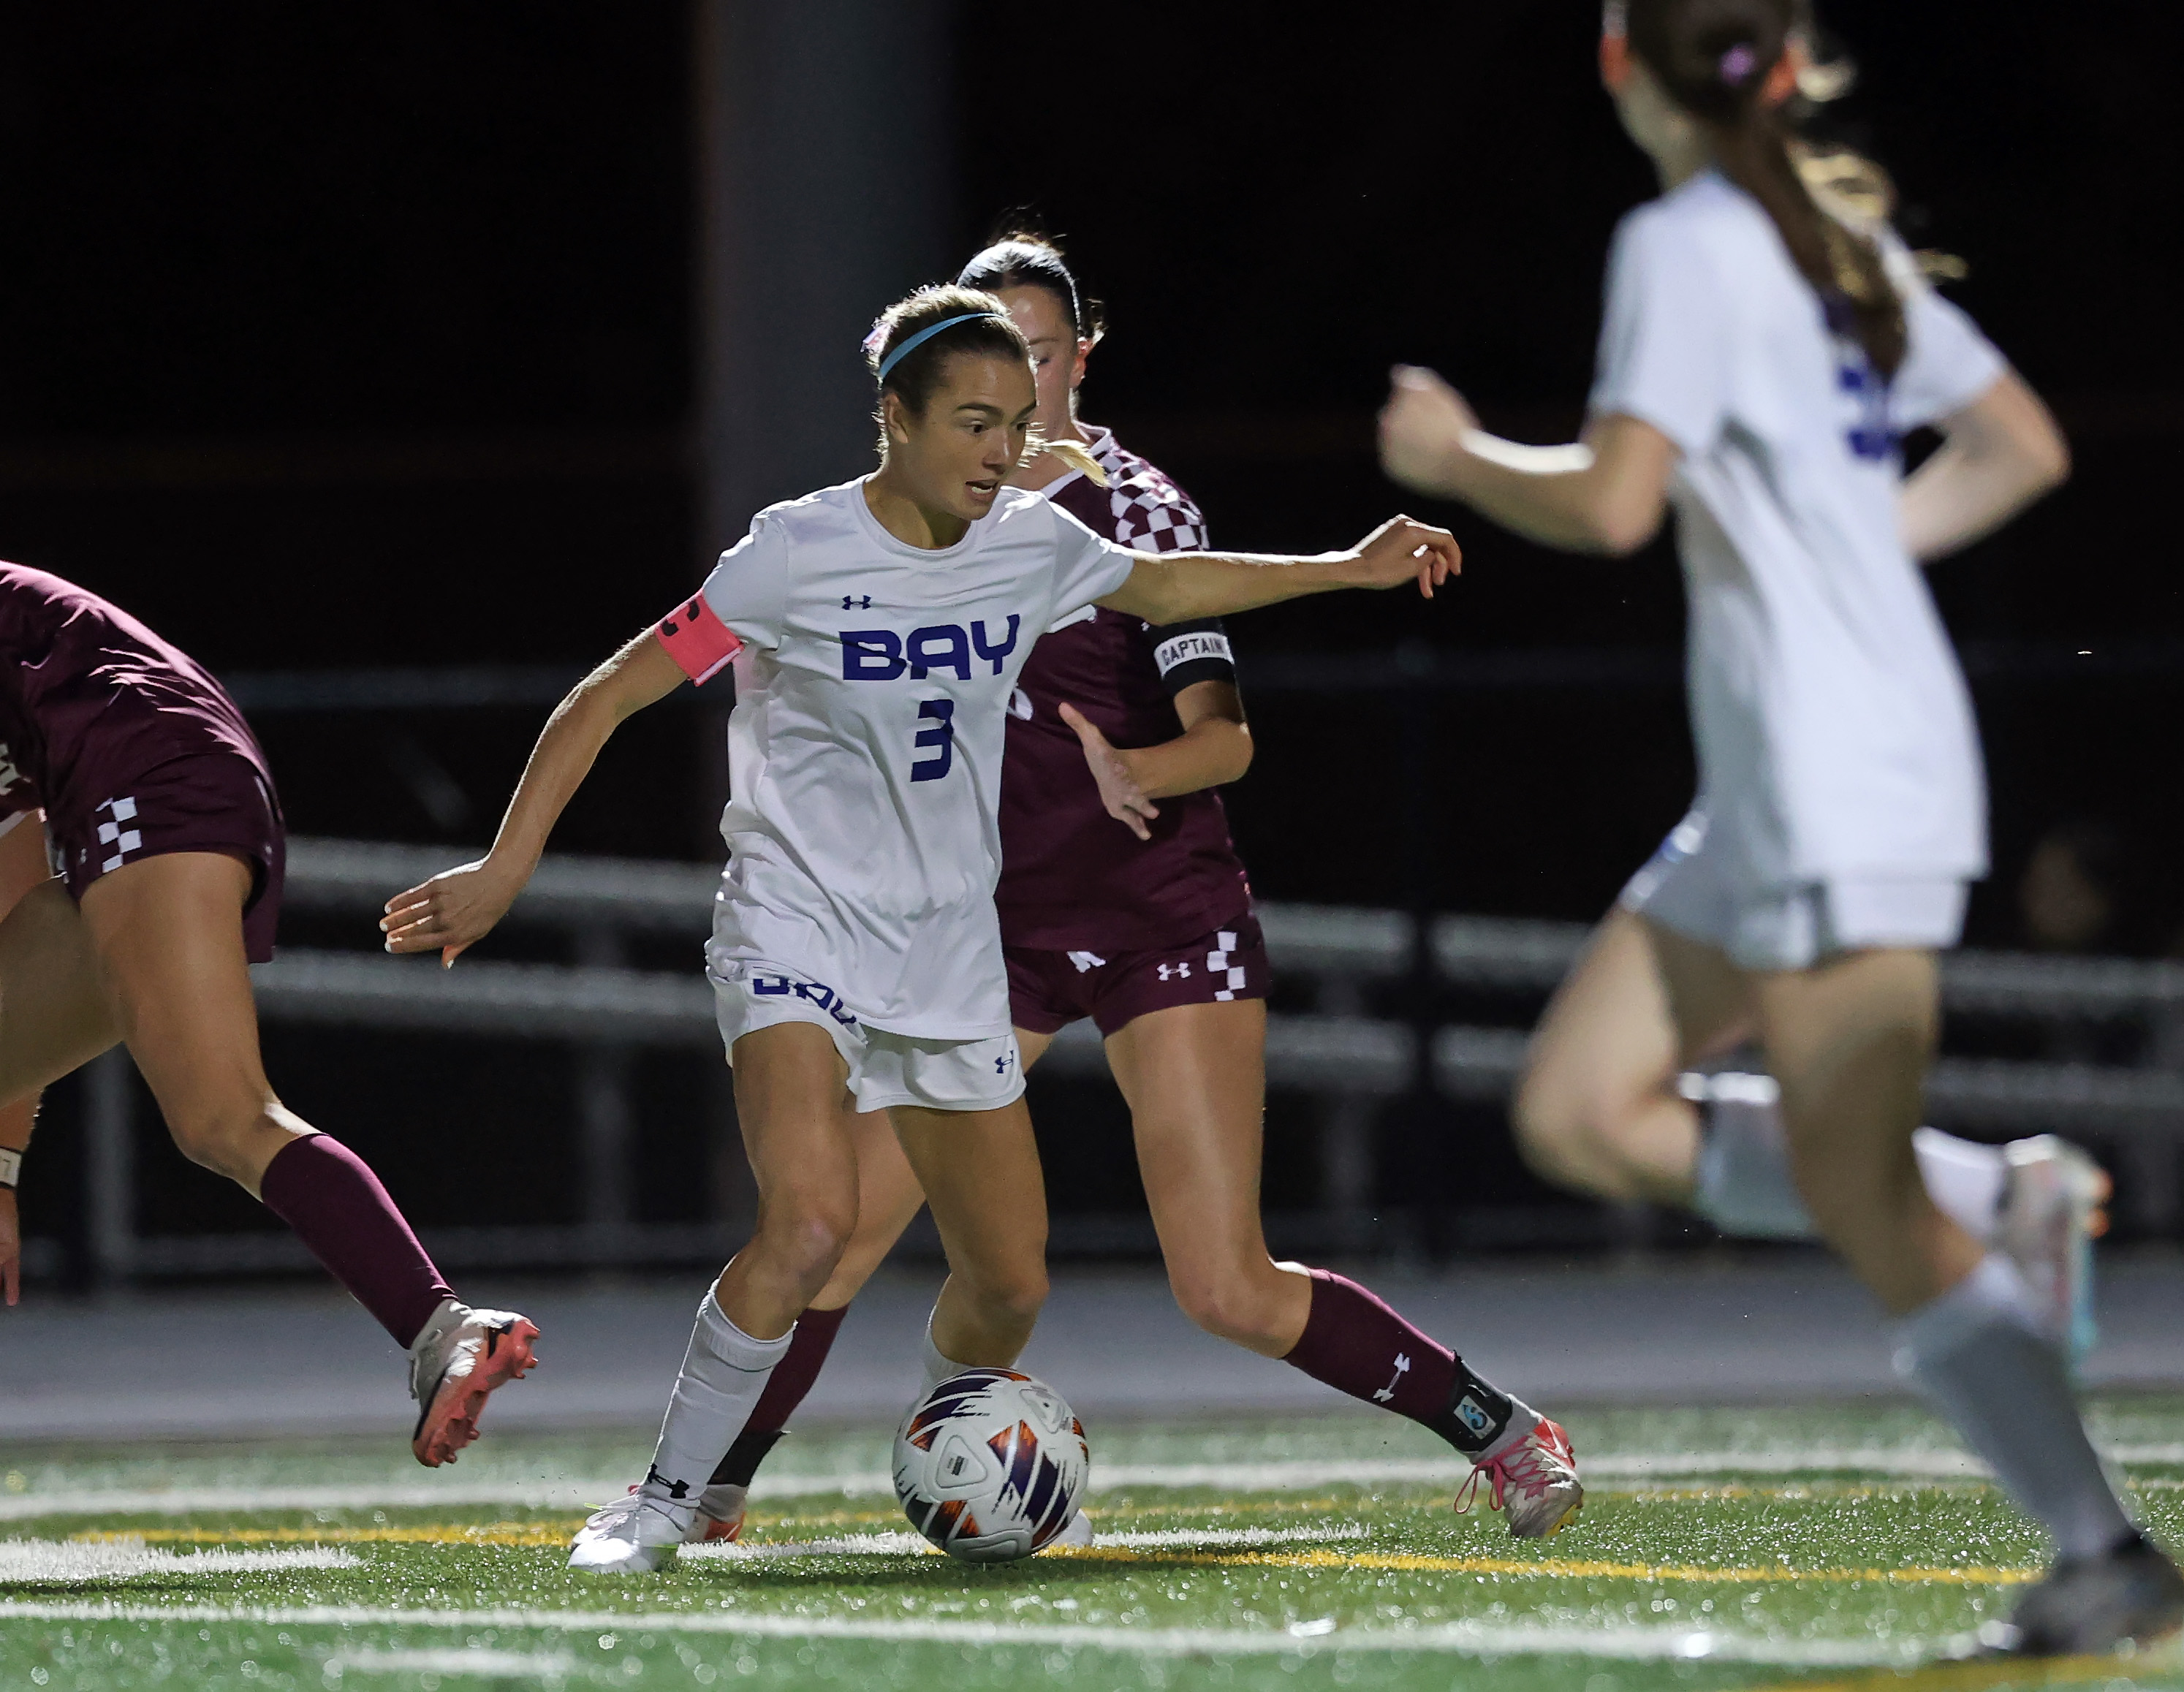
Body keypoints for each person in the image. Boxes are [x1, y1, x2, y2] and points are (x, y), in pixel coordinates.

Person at [381, 281, 1463, 1574]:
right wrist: (508, 868)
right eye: (968, 422)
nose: (999, 452)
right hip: (794, 924)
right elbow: (607, 695)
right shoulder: (791, 551)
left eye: (1011, 423)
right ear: (890, 418)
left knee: (1009, 1281)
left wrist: (1346, 566)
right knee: (810, 1224)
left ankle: (950, 1438)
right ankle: (663, 1499)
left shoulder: (1029, 540)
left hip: (949, 952)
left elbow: (1168, 588)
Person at [1376, 0, 2180, 1655]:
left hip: (1834, 769)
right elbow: (2015, 445)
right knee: (1579, 1109)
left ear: (1618, 65)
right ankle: (2001, 1187)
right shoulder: (1824, 238)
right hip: (1783, 773)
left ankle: (2095, 1547)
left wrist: (1450, 455)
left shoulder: (1686, 241)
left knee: (1858, 1192)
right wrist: (1849, 562)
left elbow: (1609, 500)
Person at [672, 235, 1586, 1552]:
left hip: (1164, 909)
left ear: (1081, 359)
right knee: (843, 1229)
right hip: (999, 933)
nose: (1023, 392)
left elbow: (1222, 741)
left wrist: (1133, 759)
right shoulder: (915, 514)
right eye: (996, 367)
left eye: (1042, 356)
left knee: (1225, 1285)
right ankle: (711, 1490)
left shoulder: (1131, 513)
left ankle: (1502, 1433)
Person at [0, 562, 537, 1465]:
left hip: (149, 780)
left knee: (224, 1114)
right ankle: (441, 1325)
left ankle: (443, 1325)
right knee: (222, 1114)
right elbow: (15, 921)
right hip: (177, 776)